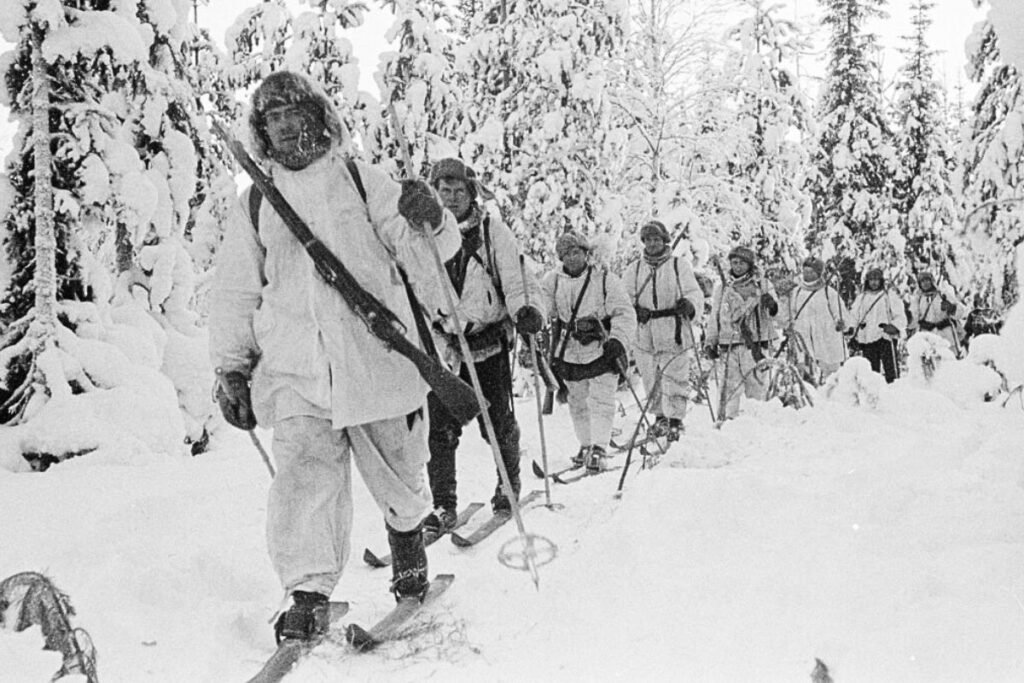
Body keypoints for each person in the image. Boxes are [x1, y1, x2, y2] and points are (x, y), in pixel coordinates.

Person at [208, 71, 461, 643]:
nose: (285, 126)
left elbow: (427, 248)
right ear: (261, 130)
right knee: (303, 480)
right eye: (272, 119)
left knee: (397, 466)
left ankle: (408, 548)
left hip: (375, 358)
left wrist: (433, 217)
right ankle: (308, 591)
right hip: (294, 367)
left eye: (294, 113)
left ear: (319, 115)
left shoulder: (359, 179)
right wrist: (231, 367)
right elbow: (236, 289)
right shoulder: (255, 204)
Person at [423, 158, 544, 533]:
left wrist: (526, 309)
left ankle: (508, 486)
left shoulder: (493, 233)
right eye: (445, 191)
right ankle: (443, 504)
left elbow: (516, 277)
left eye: (460, 191)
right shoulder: (420, 234)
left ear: (471, 193)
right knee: (439, 430)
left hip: (488, 341)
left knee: (497, 423)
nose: (453, 198)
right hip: (443, 348)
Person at [543, 231, 636, 472]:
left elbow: (624, 312)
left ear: (586, 253)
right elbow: (543, 308)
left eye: (576, 252)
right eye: (566, 254)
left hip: (601, 346)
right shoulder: (552, 282)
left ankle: (599, 448)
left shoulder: (604, 279)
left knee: (602, 399)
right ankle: (585, 445)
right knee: (577, 401)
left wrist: (619, 340)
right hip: (570, 350)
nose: (572, 258)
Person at [624, 219, 704, 440]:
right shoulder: (635, 269)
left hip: (673, 330)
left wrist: (689, 305)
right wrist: (634, 310)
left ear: (664, 240)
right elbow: (623, 299)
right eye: (648, 239)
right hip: (645, 332)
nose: (652, 244)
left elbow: (694, 293)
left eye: (656, 239)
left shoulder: (679, 266)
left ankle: (675, 421)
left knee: (676, 377)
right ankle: (659, 419)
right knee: (651, 379)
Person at [704, 245, 779, 420]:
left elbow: (778, 314)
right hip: (728, 345)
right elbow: (715, 317)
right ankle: (727, 422)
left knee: (758, 386)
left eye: (742, 263)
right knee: (728, 389)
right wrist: (710, 342)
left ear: (750, 264)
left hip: (756, 345)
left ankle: (759, 422)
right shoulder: (722, 288)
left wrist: (772, 305)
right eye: (734, 262)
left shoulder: (762, 285)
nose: (737, 266)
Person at [782, 256, 850, 379]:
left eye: (811, 272)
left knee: (829, 374)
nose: (808, 275)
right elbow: (790, 314)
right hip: (803, 338)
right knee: (805, 373)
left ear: (818, 273)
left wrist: (840, 323)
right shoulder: (796, 292)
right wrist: (788, 326)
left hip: (826, 338)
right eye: (805, 271)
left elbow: (840, 313)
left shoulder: (828, 292)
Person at [847, 268, 907, 383]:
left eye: (876, 280)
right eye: (871, 280)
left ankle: (894, 392)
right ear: (867, 281)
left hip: (885, 337)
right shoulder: (861, 298)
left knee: (891, 370)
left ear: (881, 281)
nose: (874, 282)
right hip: (868, 338)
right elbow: (854, 316)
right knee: (871, 372)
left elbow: (900, 315)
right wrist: (852, 330)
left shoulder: (888, 296)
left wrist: (894, 326)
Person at [907, 270, 966, 355]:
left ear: (931, 281)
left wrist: (950, 308)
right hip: (927, 336)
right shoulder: (918, 299)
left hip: (946, 334)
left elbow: (960, 311)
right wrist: (908, 317)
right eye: (922, 281)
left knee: (950, 360)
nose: (925, 283)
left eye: (927, 280)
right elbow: (914, 318)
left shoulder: (942, 294)